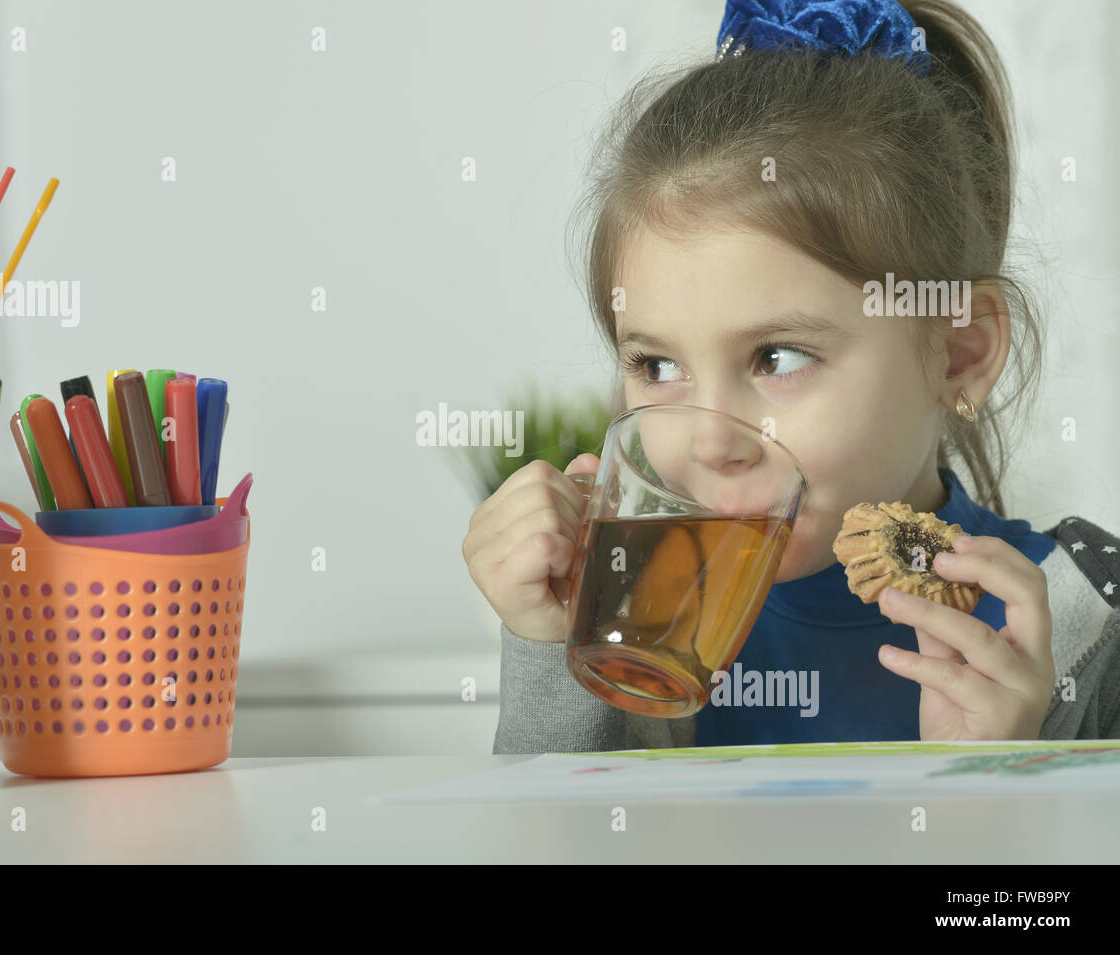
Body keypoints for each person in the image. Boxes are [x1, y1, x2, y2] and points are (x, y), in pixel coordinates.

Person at [463, 0, 1120, 752]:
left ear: (959, 352)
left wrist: (1001, 775)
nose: (710, 440)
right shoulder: (629, 627)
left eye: (776, 358)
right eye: (659, 365)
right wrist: (549, 650)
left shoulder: (1087, 621)